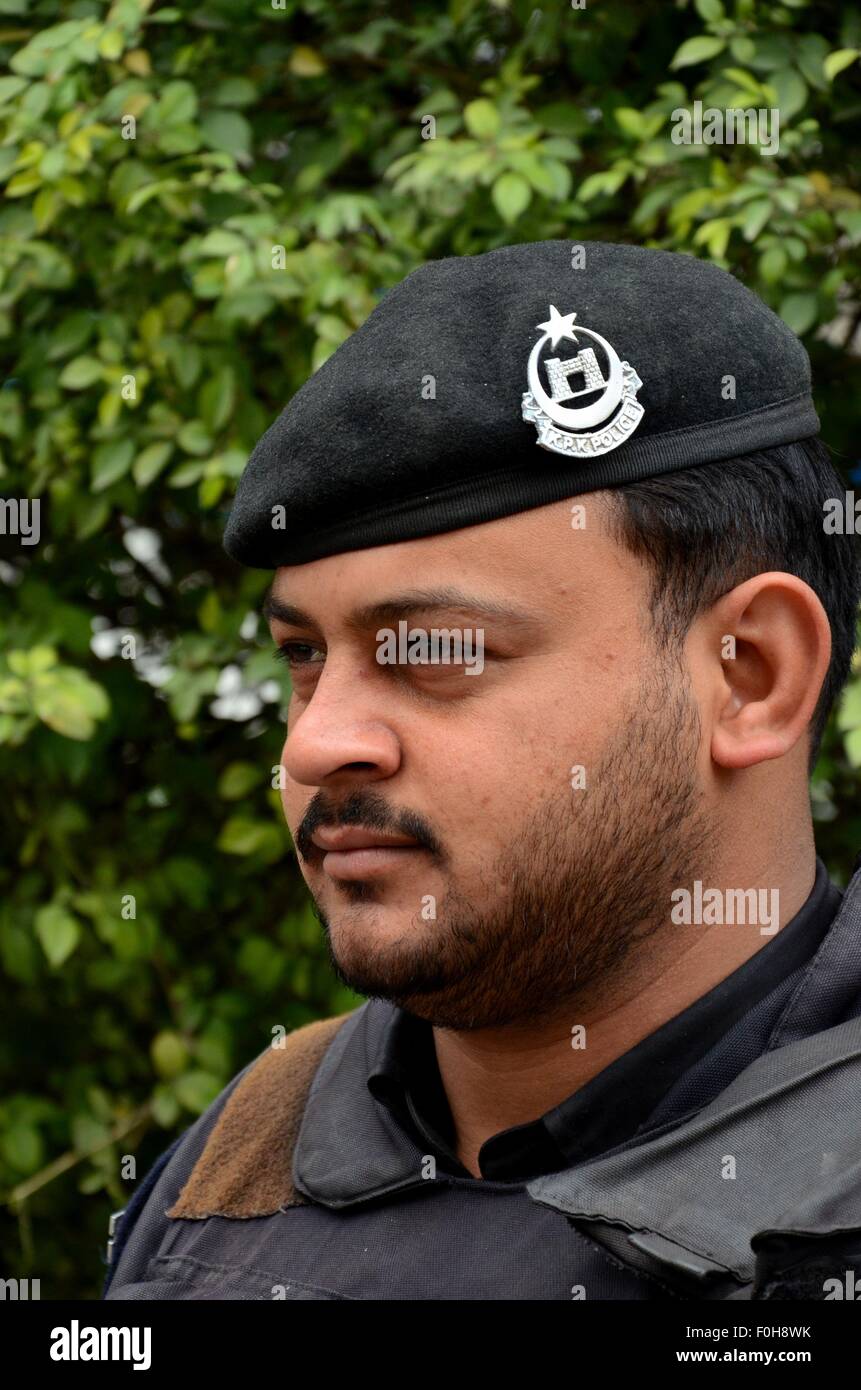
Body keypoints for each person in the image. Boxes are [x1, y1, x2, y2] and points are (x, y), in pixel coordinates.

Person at [103, 240, 861, 1301]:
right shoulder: (243, 1157)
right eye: (303, 656)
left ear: (752, 674)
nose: (316, 743)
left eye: (434, 650)